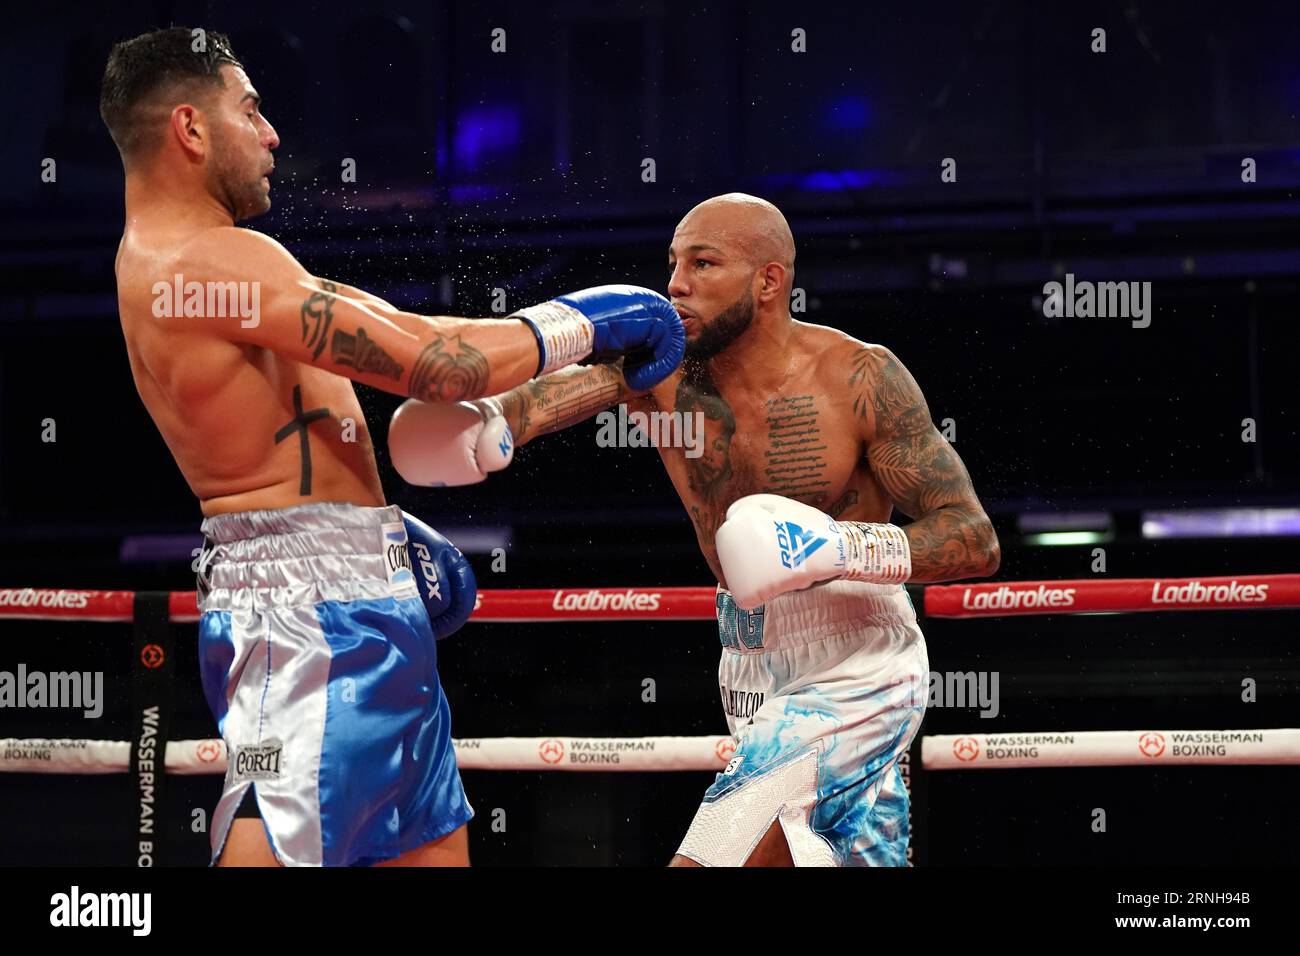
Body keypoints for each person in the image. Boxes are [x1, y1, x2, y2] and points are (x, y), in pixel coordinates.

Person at [99, 26, 683, 867]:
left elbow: (416, 337)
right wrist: (586, 321)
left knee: (431, 853)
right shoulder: (199, 260)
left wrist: (371, 540)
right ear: (190, 129)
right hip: (301, 617)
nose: (270, 134)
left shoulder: (194, 261)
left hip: (345, 591)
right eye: (251, 109)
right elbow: (437, 368)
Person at [389, 193, 999, 866]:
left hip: (858, 660)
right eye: (673, 262)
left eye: (703, 263)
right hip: (745, 658)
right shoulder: (660, 369)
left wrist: (835, 548)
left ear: (769, 281)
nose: (676, 282)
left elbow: (973, 538)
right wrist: (484, 424)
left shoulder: (858, 376)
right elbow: (542, 402)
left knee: (714, 855)